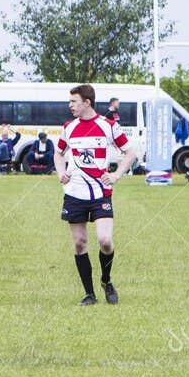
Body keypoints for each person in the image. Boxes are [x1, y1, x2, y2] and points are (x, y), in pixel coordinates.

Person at [58, 83, 137, 306]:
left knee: (105, 241)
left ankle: (106, 280)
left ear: (87, 103)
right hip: (74, 194)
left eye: (73, 101)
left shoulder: (108, 126)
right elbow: (58, 152)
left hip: (100, 192)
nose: (70, 105)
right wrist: (62, 171)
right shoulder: (69, 127)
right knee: (80, 244)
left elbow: (130, 152)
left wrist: (116, 175)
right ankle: (89, 295)